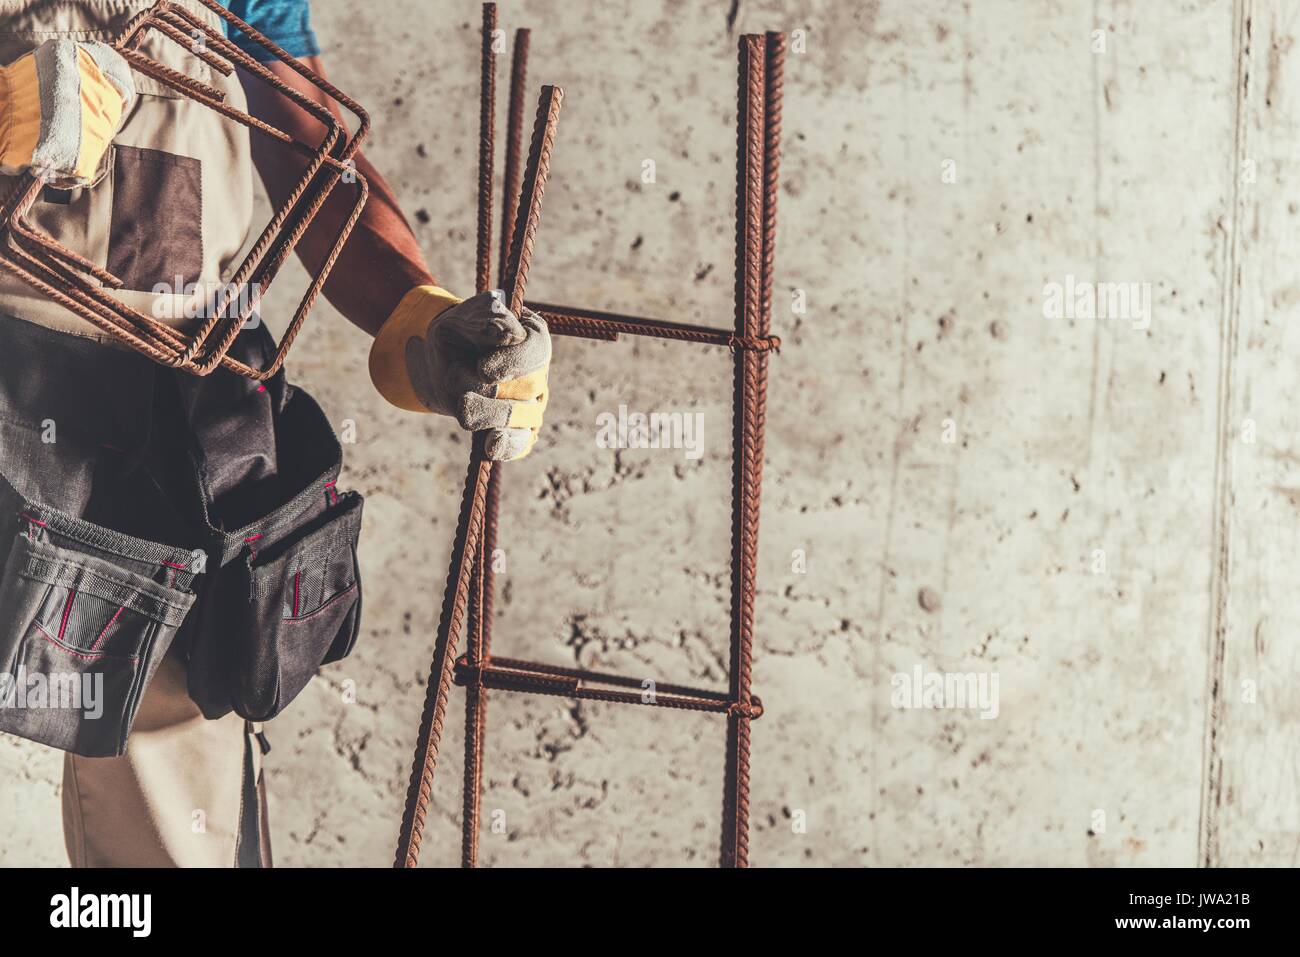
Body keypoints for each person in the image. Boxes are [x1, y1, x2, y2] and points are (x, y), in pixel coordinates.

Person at [0, 0, 550, 867]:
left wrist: (417, 315)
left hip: (181, 439)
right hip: (12, 385)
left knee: (177, 832)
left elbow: (314, 156)